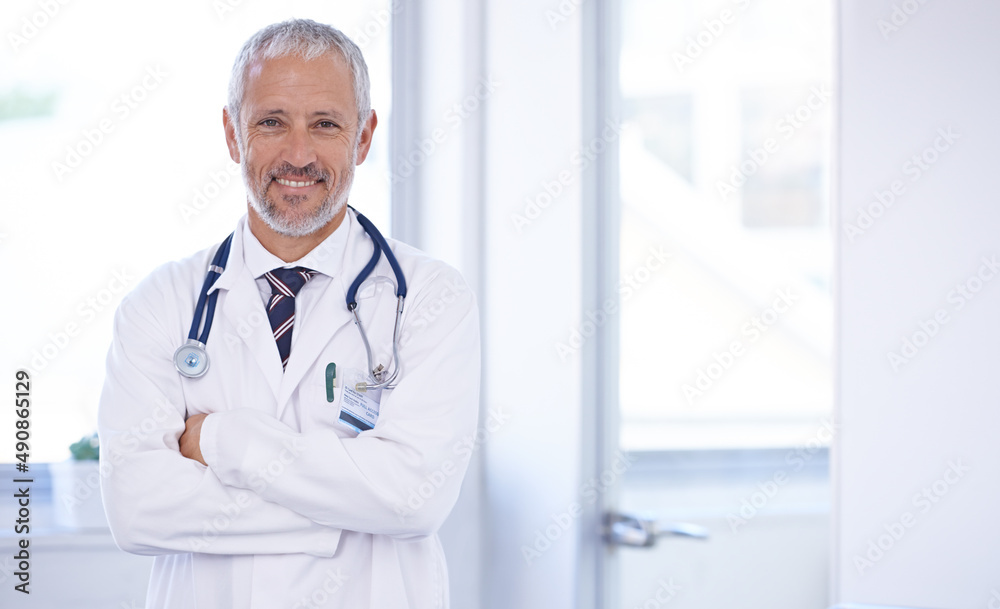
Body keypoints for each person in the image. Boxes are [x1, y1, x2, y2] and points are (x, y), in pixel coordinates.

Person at [98, 18, 480, 609]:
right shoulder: (159, 304)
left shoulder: (429, 299)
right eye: (271, 122)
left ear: (363, 136)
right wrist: (347, 510)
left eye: (325, 124)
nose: (298, 154)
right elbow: (135, 510)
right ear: (232, 133)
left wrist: (224, 440)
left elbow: (414, 497)